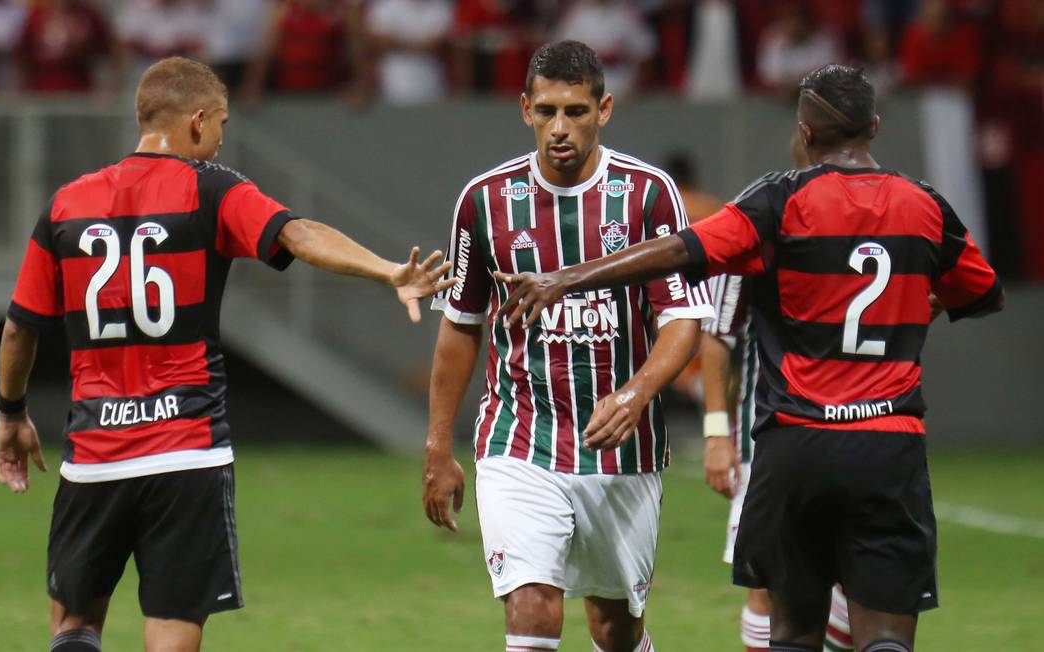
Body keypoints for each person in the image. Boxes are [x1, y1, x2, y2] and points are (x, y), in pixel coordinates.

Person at [494, 64, 1004, 652]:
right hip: (891, 443)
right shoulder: (925, 207)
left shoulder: (779, 200)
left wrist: (567, 278)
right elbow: (984, 291)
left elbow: (678, 251)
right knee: (886, 636)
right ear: (875, 127)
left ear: (805, 133)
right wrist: (919, 304)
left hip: (796, 443)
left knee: (790, 632)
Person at [0, 56, 453, 652]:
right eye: (221, 127)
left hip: (95, 456)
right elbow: (298, 233)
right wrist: (388, 270)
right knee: (173, 637)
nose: (218, 140)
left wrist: (10, 414)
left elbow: (17, 330)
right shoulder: (210, 188)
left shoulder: (65, 205)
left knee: (75, 628)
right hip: (187, 455)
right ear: (198, 121)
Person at [422, 40, 713, 652]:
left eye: (576, 112)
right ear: (524, 108)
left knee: (614, 627)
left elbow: (683, 319)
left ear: (604, 109)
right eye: (547, 110)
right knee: (532, 607)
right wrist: (437, 444)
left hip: (620, 444)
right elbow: (461, 324)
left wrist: (637, 393)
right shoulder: (484, 201)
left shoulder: (649, 194)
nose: (560, 128)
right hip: (518, 435)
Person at [699, 135, 855, 652]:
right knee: (765, 583)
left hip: (857, 431)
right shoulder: (759, 225)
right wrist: (717, 432)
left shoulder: (869, 228)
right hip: (769, 439)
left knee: (853, 585)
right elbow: (718, 337)